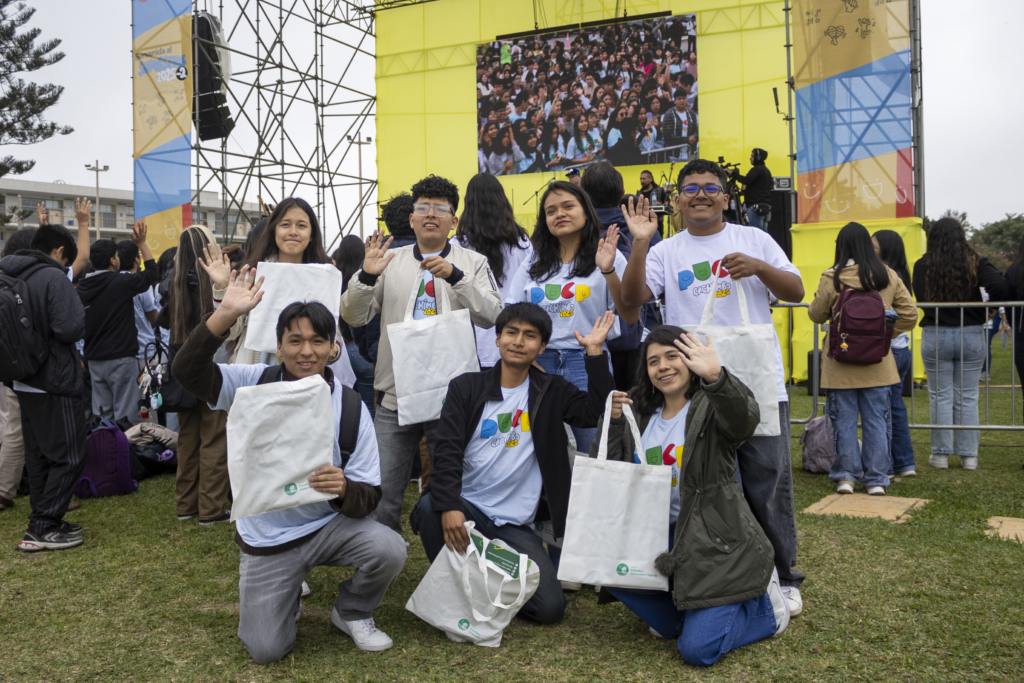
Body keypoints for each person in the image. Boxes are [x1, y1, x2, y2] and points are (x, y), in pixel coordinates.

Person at [172, 268, 406, 660]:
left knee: (389, 548)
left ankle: (352, 611)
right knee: (266, 650)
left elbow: (370, 494)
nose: (306, 351)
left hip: (327, 526)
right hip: (268, 538)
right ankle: (286, 594)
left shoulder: (350, 405)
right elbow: (186, 371)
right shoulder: (252, 382)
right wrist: (224, 314)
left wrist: (344, 489)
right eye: (294, 341)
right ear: (279, 347)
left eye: (317, 341)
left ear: (333, 347)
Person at [619, 158, 807, 616]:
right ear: (677, 200)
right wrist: (640, 244)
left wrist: (760, 268)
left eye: (710, 187)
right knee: (708, 484)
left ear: (725, 196)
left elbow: (796, 291)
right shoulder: (666, 250)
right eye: (690, 188)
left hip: (756, 382)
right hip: (694, 389)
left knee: (767, 482)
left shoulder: (754, 239)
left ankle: (783, 576)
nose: (700, 194)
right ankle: (722, 574)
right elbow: (631, 302)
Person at [593, 326, 789, 666]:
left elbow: (744, 421)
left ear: (690, 359)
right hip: (658, 536)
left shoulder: (710, 403)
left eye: (673, 356)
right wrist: (612, 424)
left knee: (697, 650)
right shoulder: (638, 409)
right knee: (604, 561)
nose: (663, 367)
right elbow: (612, 470)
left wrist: (716, 377)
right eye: (653, 361)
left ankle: (767, 611)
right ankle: (682, 618)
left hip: (713, 540)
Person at [410, 303, 617, 625]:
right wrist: (450, 505)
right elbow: (446, 450)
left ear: (542, 347)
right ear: (497, 339)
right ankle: (456, 586)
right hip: (468, 507)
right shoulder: (466, 387)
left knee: (550, 609)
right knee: (429, 507)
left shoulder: (552, 390)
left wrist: (594, 352)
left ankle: (485, 584)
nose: (519, 341)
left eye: (530, 336)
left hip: (514, 524)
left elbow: (595, 412)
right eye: (511, 332)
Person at [341, 175, 502, 533]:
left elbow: (493, 315)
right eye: (423, 207)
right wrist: (366, 276)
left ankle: (453, 553)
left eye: (440, 208)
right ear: (411, 218)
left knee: (454, 487)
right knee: (383, 488)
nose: (431, 214)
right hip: (394, 393)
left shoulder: (473, 262)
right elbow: (353, 316)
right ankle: (384, 552)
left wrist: (457, 277)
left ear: (454, 220)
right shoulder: (389, 260)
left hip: (452, 396)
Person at [506, 180, 639, 454]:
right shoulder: (533, 260)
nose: (560, 214)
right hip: (539, 363)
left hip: (588, 362)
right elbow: (512, 311)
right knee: (541, 449)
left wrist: (608, 270)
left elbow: (630, 314)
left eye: (568, 206)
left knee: (595, 449)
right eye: (551, 211)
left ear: (586, 212)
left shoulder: (609, 255)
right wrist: (527, 358)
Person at [808, 223, 918, 495]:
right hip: (878, 362)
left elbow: (816, 315)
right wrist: (884, 335)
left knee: (844, 421)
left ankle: (846, 477)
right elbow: (910, 314)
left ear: (841, 246)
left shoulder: (833, 277)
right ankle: (877, 479)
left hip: (840, 361)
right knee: (876, 420)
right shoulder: (887, 275)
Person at [1, 223, 89, 551]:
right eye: (67, 260)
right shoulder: (53, 277)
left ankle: (42, 517)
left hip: (22, 378)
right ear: (59, 252)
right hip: (55, 378)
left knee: (38, 456)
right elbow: (70, 328)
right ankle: (43, 526)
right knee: (70, 454)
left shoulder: (9, 274)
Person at [912, 218, 1009, 470]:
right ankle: (969, 457)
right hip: (971, 333)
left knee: (940, 396)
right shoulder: (975, 260)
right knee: (967, 396)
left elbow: (919, 294)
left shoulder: (922, 264)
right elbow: (1000, 285)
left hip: (936, 333)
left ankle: (940, 455)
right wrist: (988, 309)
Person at [200, 197, 331, 366]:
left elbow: (333, 334)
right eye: (285, 224)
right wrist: (222, 287)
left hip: (308, 369)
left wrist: (333, 351)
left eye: (301, 225)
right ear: (273, 230)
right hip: (258, 369)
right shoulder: (252, 275)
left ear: (312, 234)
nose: (293, 232)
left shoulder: (322, 277)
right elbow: (232, 333)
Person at [167, 225, 231, 525]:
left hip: (183, 370)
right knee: (214, 438)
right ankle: (211, 509)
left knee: (188, 439)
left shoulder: (174, 283)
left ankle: (185, 506)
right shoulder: (216, 282)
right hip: (213, 369)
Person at [77, 222, 159, 424]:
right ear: (113, 260)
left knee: (102, 416)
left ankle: (105, 444)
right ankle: (126, 446)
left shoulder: (82, 287)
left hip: (94, 360)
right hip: (122, 358)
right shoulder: (120, 282)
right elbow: (152, 273)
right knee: (126, 416)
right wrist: (142, 244)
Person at [452, 173, 533, 368]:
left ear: (468, 204)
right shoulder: (522, 243)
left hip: (472, 344)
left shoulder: (457, 245)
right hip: (516, 341)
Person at [873, 229, 917, 477]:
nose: (869, 250)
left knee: (882, 409)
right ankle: (905, 463)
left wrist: (885, 335)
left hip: (889, 351)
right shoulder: (901, 276)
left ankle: (887, 465)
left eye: (874, 246)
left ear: (886, 250)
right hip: (901, 349)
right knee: (895, 406)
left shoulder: (886, 277)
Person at [332, 236, 376, 417]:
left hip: (341, 351)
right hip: (364, 351)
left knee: (347, 409)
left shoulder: (335, 282)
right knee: (369, 409)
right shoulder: (368, 280)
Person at [117, 240, 159, 371]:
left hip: (120, 352)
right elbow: (154, 319)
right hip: (144, 350)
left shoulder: (111, 282)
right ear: (137, 259)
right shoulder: (141, 283)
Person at [726, 149, 774, 231]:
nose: (750, 158)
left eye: (752, 156)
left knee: (755, 234)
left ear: (758, 157)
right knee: (763, 235)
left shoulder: (757, 169)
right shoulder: (766, 171)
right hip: (765, 209)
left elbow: (746, 180)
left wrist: (733, 174)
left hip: (756, 209)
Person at [660, 89, 697, 162]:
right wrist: (687, 139)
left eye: (684, 98)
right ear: (674, 101)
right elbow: (668, 136)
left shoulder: (692, 114)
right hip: (673, 155)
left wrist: (694, 137)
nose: (682, 101)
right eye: (679, 99)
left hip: (689, 154)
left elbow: (696, 129)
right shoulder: (669, 114)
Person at [637, 169, 669, 236]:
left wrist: (661, 205)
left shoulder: (659, 190)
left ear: (651, 179)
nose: (642, 181)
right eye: (641, 179)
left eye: (644, 179)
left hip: (657, 223)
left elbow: (668, 203)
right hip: (643, 223)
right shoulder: (639, 193)